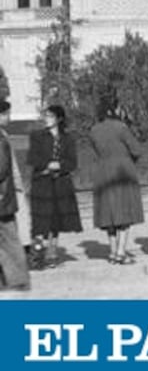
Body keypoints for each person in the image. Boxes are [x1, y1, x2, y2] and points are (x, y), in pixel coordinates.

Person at [26, 104, 82, 268]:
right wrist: (48, 164)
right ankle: (37, 253)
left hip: (61, 183)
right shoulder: (37, 136)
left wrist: (61, 165)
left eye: (50, 116)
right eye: (45, 116)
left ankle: (52, 253)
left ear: (59, 119)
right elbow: (32, 158)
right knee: (40, 219)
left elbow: (73, 162)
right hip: (42, 182)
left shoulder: (68, 138)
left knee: (56, 219)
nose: (46, 119)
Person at [88, 98, 143, 264]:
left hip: (102, 171)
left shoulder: (94, 130)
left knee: (108, 214)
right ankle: (121, 252)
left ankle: (112, 251)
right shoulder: (121, 127)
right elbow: (136, 149)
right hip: (122, 171)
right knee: (125, 212)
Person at [0, 100, 31, 290]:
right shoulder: (1, 137)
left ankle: (13, 280)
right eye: (5, 114)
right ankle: (17, 279)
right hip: (3, 197)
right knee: (10, 239)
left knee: (8, 239)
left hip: (4, 197)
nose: (8, 118)